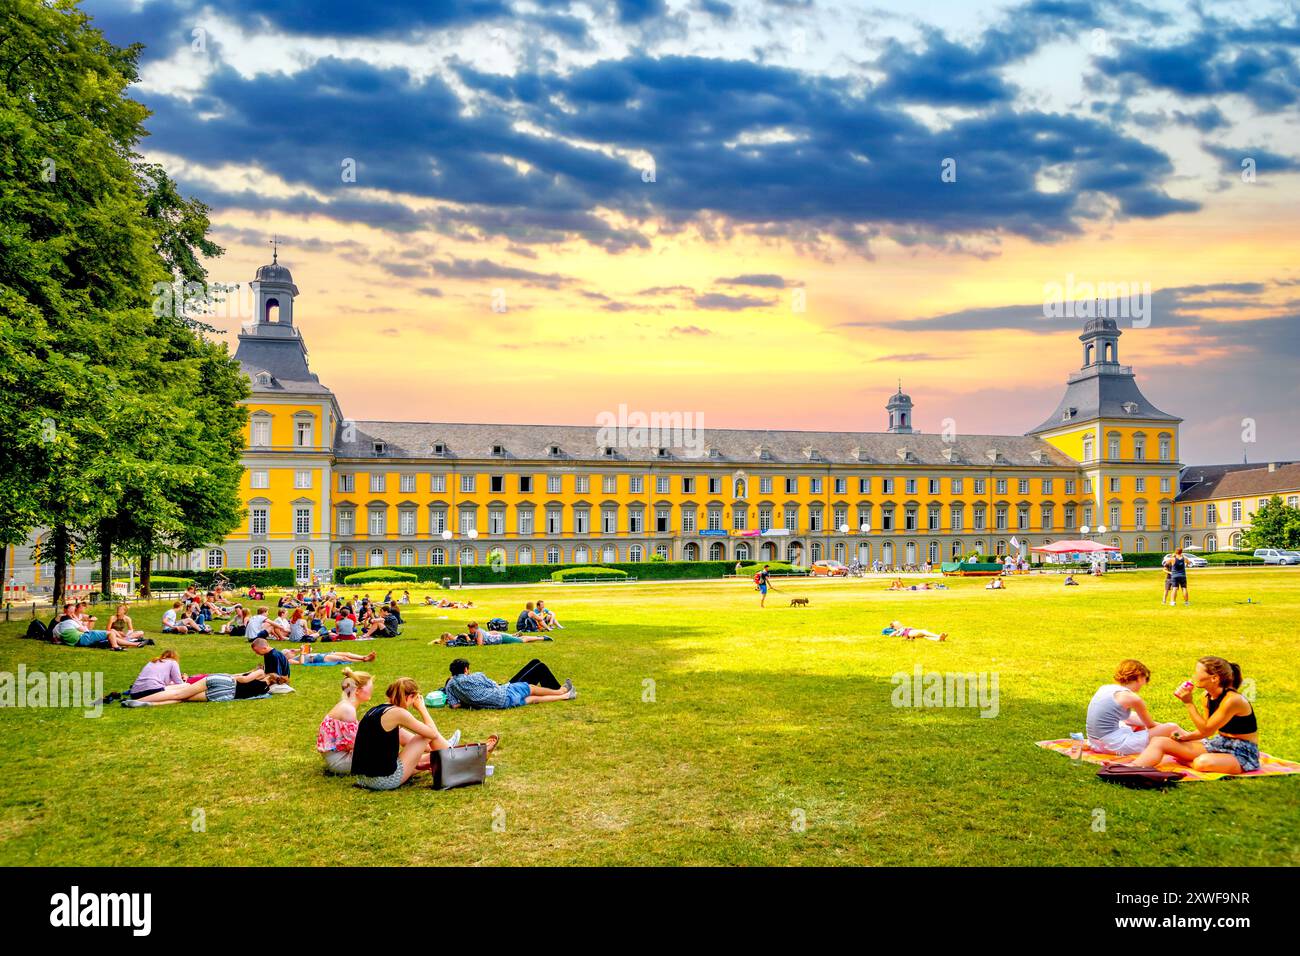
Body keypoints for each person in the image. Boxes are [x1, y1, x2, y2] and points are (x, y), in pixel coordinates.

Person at [351, 677, 498, 791]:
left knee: (427, 752)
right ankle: (464, 758)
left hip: (364, 778)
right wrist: (422, 709)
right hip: (384, 780)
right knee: (425, 736)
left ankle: (461, 756)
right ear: (411, 696)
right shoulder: (399, 713)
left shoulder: (376, 710)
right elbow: (431, 733)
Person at [1124, 657, 1259, 774]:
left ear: (1214, 678)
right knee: (1159, 741)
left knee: (1202, 762)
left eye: (1198, 673)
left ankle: (1190, 762)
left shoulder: (1232, 700)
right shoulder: (1207, 697)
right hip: (1219, 744)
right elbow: (1204, 731)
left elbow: (1207, 729)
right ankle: (1131, 768)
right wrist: (1187, 737)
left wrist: (1188, 703)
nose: (1194, 677)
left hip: (1243, 751)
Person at [1085, 660, 1181, 755]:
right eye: (1146, 679)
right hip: (1112, 746)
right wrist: (1163, 727)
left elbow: (1131, 719)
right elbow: (1151, 725)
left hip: (1094, 743)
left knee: (1133, 717)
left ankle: (1147, 742)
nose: (1145, 683)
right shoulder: (1133, 699)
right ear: (1139, 677)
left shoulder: (1105, 688)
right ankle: (1189, 740)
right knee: (1172, 728)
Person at [443, 658, 576, 709]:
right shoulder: (476, 676)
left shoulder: (450, 686)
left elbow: (454, 705)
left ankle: (563, 694)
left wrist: (470, 701)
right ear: (466, 669)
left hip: (500, 699)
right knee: (539, 669)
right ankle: (560, 691)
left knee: (535, 663)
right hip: (503, 692)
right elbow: (494, 686)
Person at [123, 668, 289, 705]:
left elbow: (245, 680)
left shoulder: (261, 673)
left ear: (269, 676)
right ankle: (149, 703)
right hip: (226, 695)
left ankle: (140, 697)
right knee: (183, 699)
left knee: (180, 692)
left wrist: (238, 675)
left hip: (225, 682)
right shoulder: (265, 691)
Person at [316, 667, 372, 775]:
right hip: (341, 762)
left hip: (336, 759)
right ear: (358, 690)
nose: (371, 690)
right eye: (369, 687)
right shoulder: (348, 710)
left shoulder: (345, 705)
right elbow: (355, 745)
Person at [52, 606, 140, 650]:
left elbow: (56, 638)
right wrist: (77, 621)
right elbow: (85, 630)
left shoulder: (57, 628)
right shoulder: (71, 622)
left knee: (109, 637)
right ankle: (116, 646)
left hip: (77, 641)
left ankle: (132, 644)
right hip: (82, 638)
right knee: (111, 633)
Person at [288, 645, 376, 665]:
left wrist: (301, 649)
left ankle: (364, 657)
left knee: (347, 653)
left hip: (321, 654)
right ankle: (363, 660)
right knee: (343, 658)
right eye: (289, 652)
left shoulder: (296, 655)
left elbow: (308, 651)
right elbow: (301, 663)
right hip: (318, 658)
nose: (291, 652)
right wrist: (302, 653)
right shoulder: (289, 660)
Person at [882, 621, 947, 642]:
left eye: (899, 623)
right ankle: (938, 635)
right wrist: (898, 630)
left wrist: (909, 627)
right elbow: (891, 635)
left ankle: (938, 639)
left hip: (911, 632)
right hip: (908, 633)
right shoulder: (896, 631)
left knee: (925, 636)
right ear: (894, 627)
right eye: (897, 624)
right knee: (923, 631)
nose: (900, 624)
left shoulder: (903, 628)